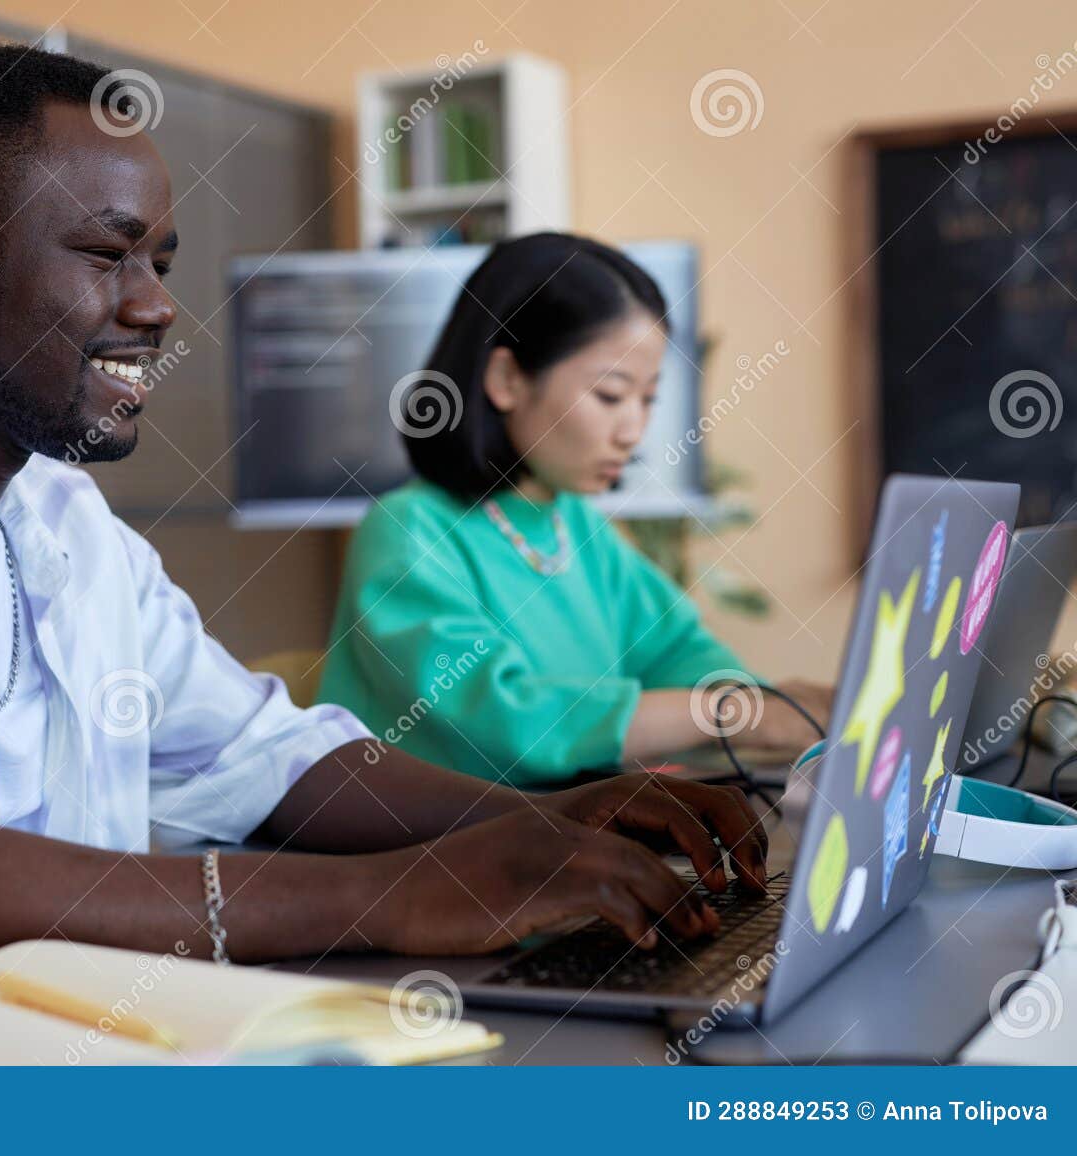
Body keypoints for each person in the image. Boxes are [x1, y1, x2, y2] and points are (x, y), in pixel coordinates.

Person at [0, 48, 766, 1011]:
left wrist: (543, 827)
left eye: (160, 257)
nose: (159, 305)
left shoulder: (60, 514)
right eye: (111, 254)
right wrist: (391, 894)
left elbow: (265, 757)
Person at [319, 233, 831, 785]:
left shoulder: (579, 528)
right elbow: (505, 722)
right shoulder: (407, 532)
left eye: (648, 398)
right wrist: (727, 714)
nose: (632, 432)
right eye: (611, 395)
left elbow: (681, 654)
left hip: (562, 850)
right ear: (506, 379)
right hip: (435, 861)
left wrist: (776, 708)